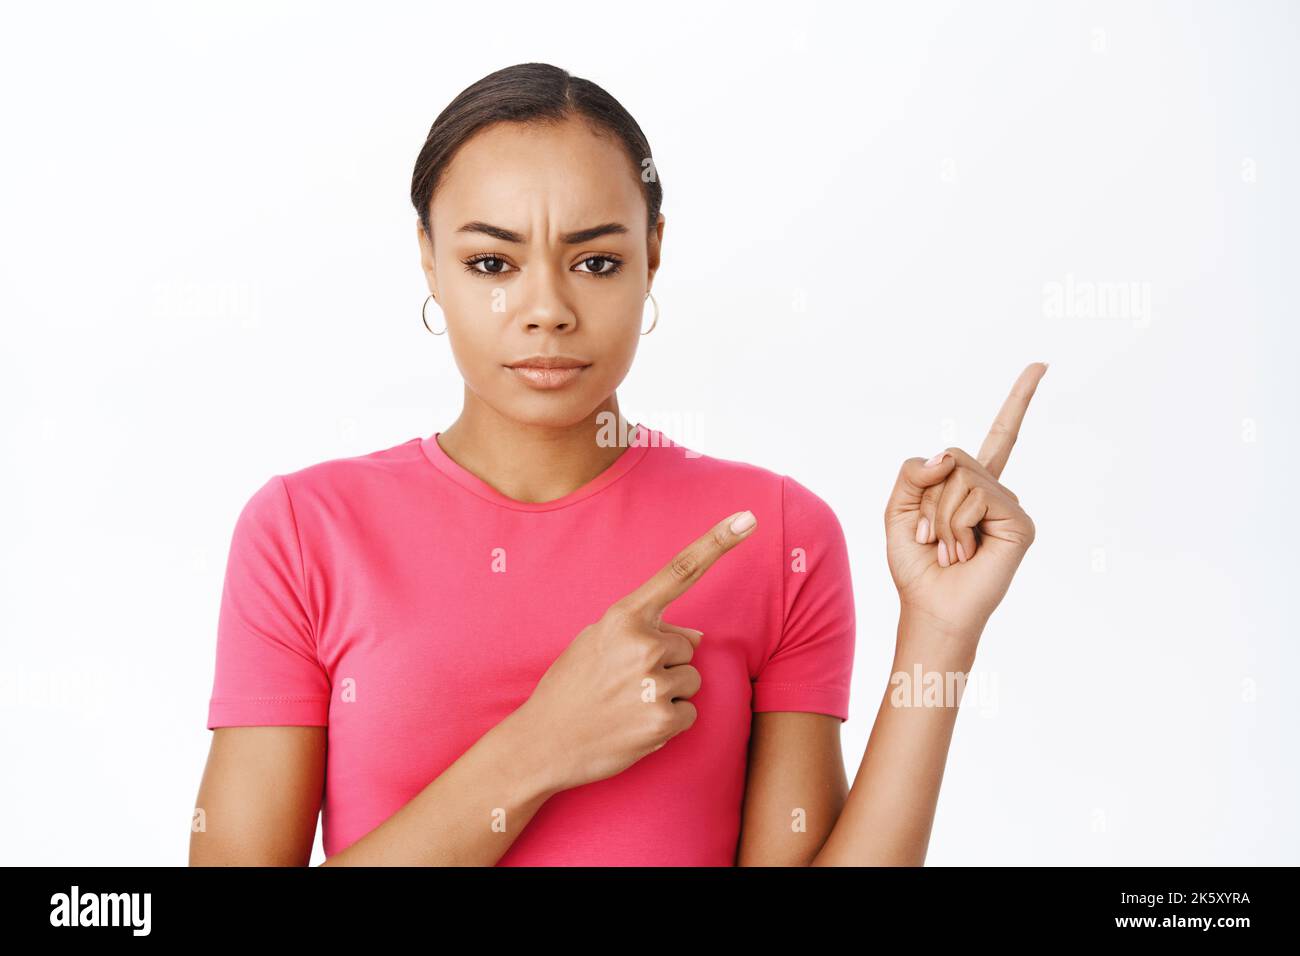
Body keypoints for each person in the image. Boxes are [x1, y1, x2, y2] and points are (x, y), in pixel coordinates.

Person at [189, 62, 1044, 866]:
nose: (548, 311)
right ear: (429, 261)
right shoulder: (304, 531)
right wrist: (540, 746)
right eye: (492, 263)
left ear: (654, 255)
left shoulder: (773, 531)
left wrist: (939, 633)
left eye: (595, 261)